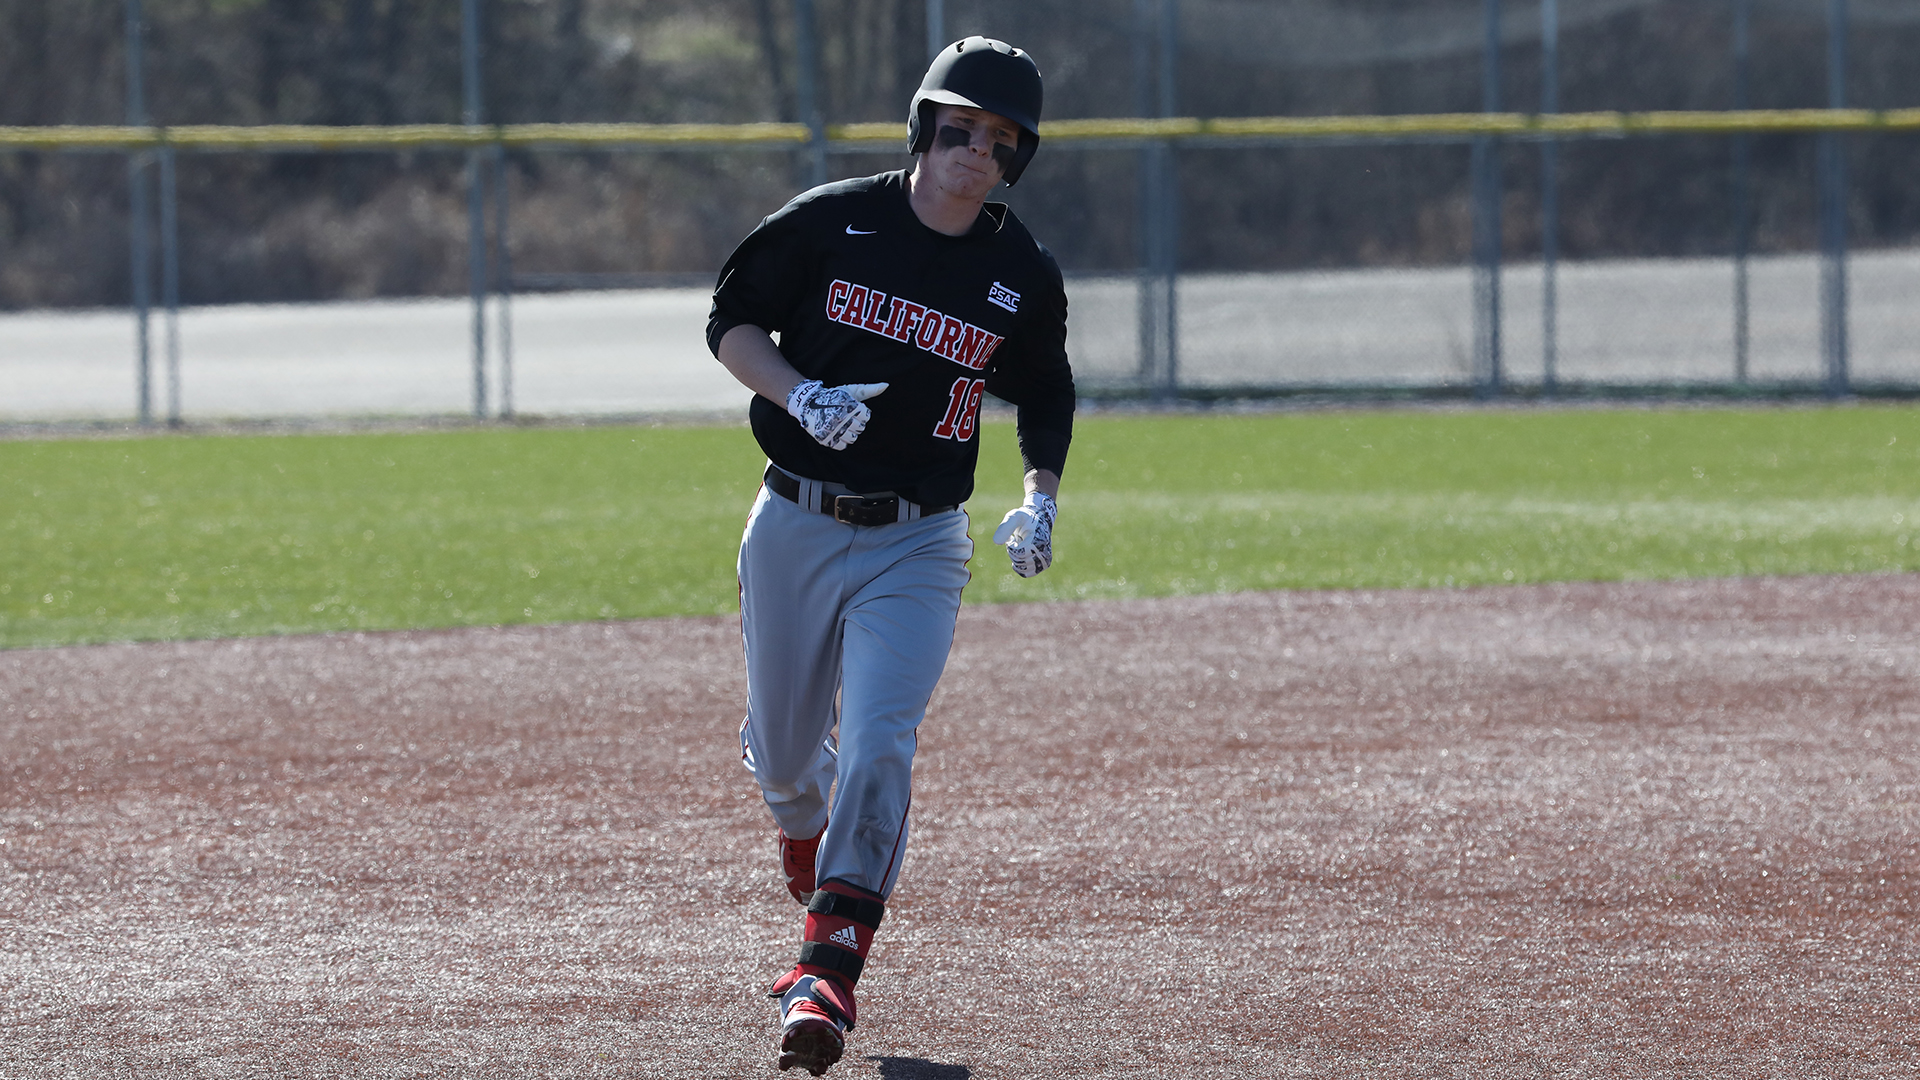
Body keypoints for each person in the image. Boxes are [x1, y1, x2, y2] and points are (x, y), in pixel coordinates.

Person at [705, 35, 1075, 1077]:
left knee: (878, 745)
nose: (976, 153)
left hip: (920, 540)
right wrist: (798, 395)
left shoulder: (1016, 272)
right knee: (785, 761)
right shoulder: (832, 223)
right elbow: (732, 322)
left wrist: (1039, 496)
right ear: (922, 130)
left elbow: (1046, 389)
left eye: (1001, 141)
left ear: (1017, 160)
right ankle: (809, 845)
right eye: (959, 128)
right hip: (795, 523)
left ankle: (826, 967)